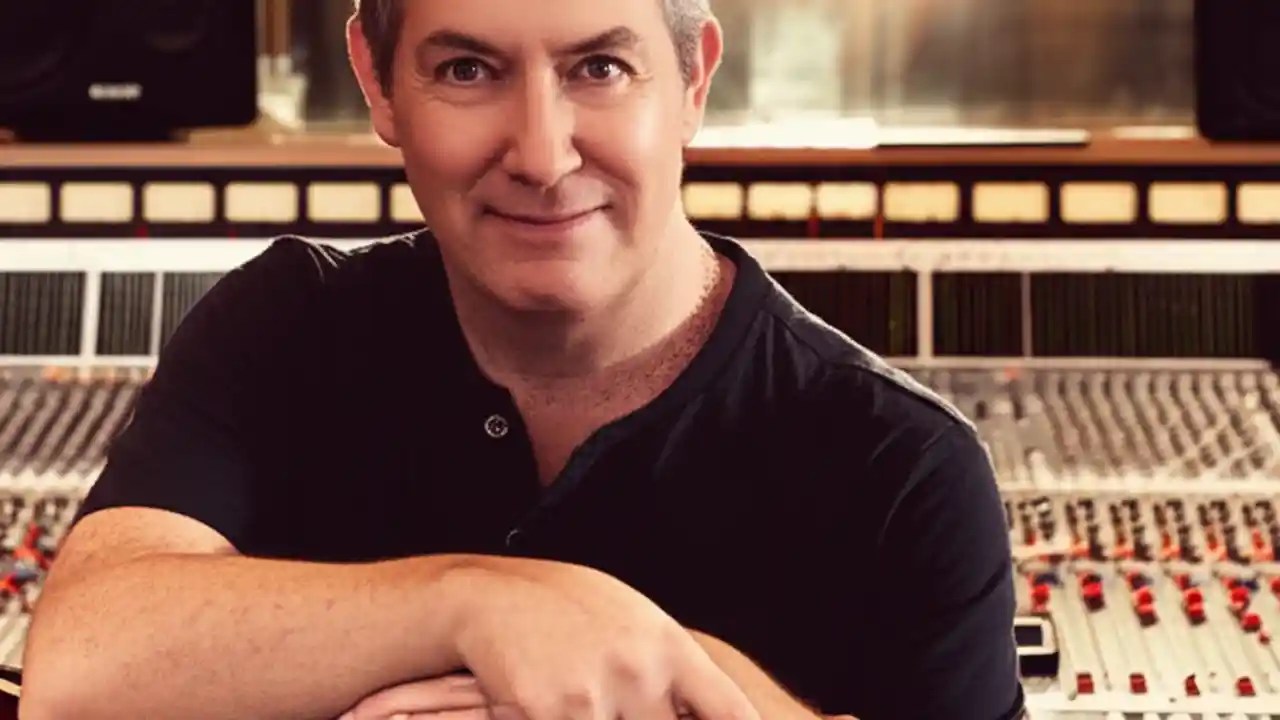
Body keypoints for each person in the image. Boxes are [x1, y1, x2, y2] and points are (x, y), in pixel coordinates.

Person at [18, 1, 1025, 719]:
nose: (542, 156)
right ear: (378, 83)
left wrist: (649, 669)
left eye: (598, 68)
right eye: (467, 70)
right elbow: (82, 670)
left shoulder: (902, 466)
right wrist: (481, 604)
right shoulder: (282, 325)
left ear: (692, 81)